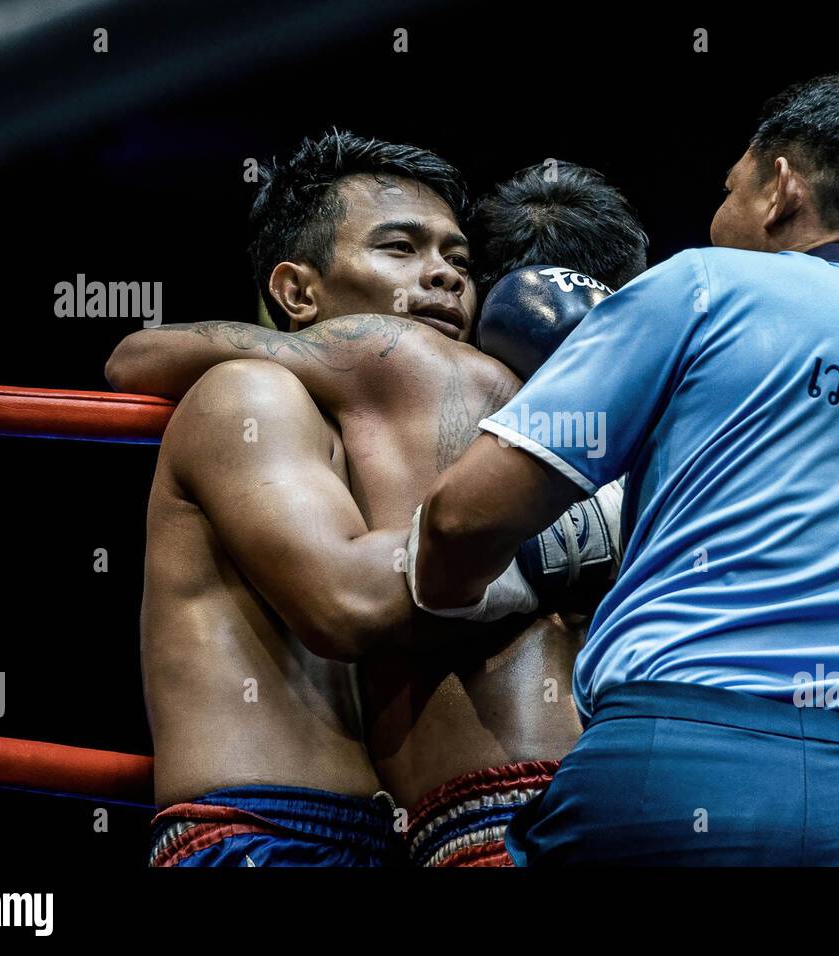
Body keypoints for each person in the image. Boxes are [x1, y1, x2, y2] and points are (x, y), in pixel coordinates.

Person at [409, 73, 839, 865]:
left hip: (687, 762)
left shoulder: (707, 284)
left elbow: (465, 518)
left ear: (780, 189)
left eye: (729, 188)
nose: (718, 213)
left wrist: (457, 591)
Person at [108, 132, 646, 865]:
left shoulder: (440, 425)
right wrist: (566, 533)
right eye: (400, 249)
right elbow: (346, 605)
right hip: (273, 835)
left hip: (406, 834)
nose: (444, 277)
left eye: (459, 260)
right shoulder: (247, 396)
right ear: (297, 291)